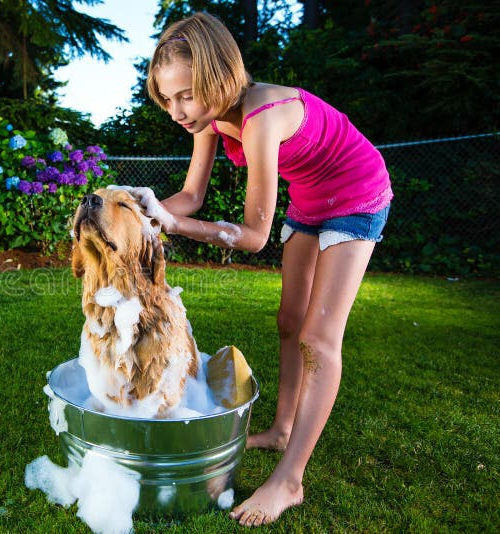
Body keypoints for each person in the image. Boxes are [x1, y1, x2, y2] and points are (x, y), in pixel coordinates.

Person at [127, 11, 393, 527]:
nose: (177, 111)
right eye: (167, 98)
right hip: (312, 199)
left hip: (358, 194)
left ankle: (289, 481)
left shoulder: (263, 117)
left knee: (318, 338)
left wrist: (173, 226)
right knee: (288, 322)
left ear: (219, 76)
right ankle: (282, 430)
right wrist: (141, 212)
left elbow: (252, 236)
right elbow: (190, 196)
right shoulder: (208, 118)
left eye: (186, 95)